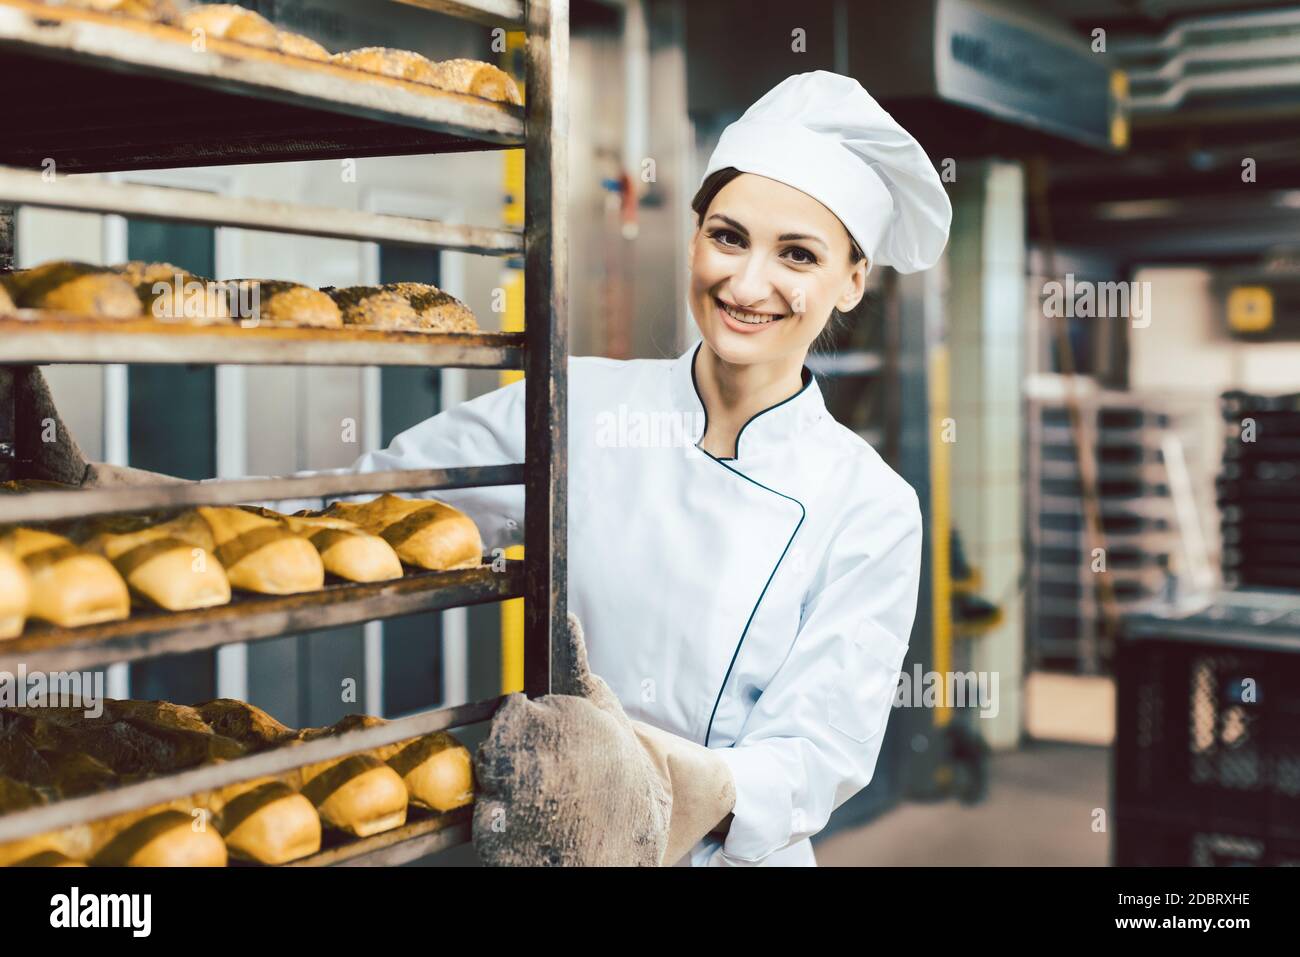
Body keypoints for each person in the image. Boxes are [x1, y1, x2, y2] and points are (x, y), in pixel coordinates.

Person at [67, 70, 953, 866]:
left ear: (850, 281)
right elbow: (373, 504)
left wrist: (655, 781)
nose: (749, 282)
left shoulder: (868, 504)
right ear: (693, 238)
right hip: (551, 843)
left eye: (797, 254)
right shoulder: (584, 407)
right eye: (729, 237)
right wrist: (139, 508)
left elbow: (812, 756)